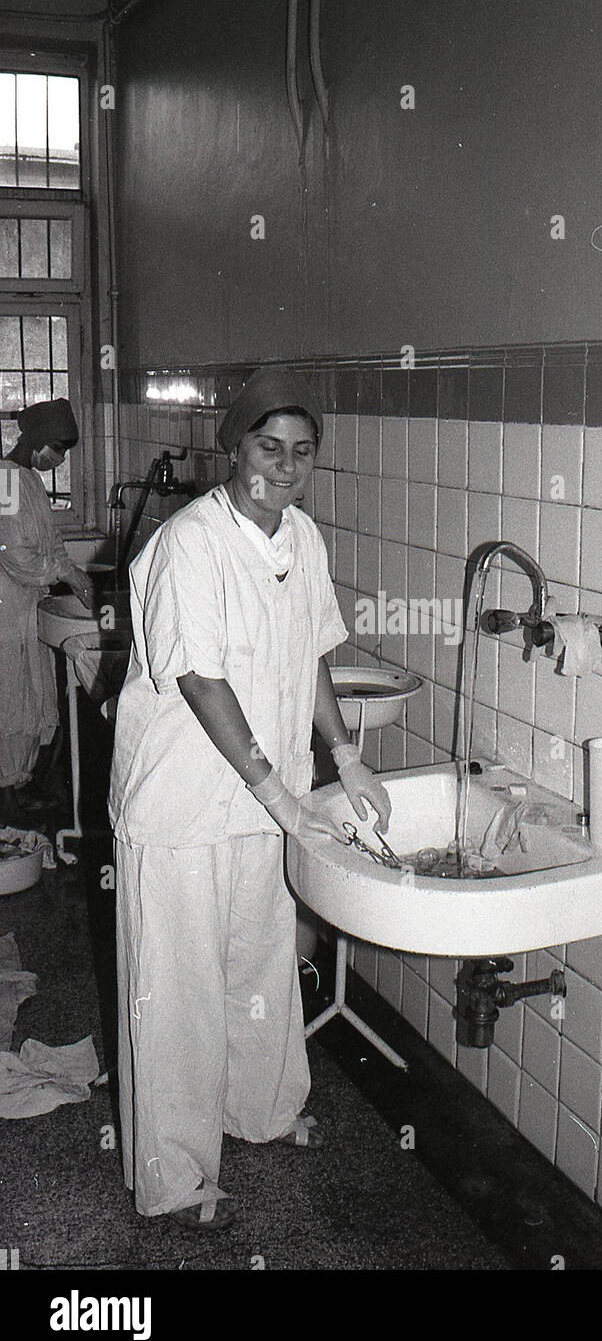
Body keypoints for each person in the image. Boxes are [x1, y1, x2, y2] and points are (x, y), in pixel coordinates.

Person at [109, 367, 391, 1231]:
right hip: (186, 802)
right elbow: (199, 677)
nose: (285, 464)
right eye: (269, 446)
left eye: (302, 451)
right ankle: (177, 1172)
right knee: (179, 987)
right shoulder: (189, 542)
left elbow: (309, 649)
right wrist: (275, 787)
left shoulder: (300, 537)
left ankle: (261, 1113)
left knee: (260, 960)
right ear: (233, 446)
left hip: (272, 802)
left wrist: (343, 754)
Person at [0, 398, 92, 824]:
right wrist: (62, 574)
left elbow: (49, 542)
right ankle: (6, 800)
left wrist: (72, 571)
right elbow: (16, 556)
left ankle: (20, 787)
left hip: (26, 608)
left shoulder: (29, 480)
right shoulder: (5, 481)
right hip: (7, 610)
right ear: (35, 439)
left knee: (31, 700)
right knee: (10, 701)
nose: (59, 457)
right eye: (57, 447)